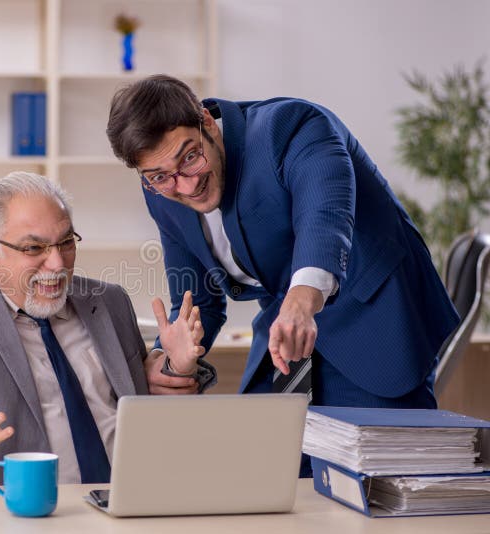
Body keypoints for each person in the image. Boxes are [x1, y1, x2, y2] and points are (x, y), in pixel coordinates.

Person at [106, 75, 459, 438]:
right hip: (285, 341)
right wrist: (168, 357)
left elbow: (324, 218)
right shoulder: (161, 191)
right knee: (270, 467)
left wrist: (302, 300)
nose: (186, 184)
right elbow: (197, 302)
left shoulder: (292, 128)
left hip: (374, 326)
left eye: (191, 157)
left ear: (207, 121)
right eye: (161, 176)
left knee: (370, 481)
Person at [0, 171, 206, 486]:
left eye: (65, 242)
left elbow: (145, 409)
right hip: (17, 515)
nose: (57, 263)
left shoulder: (110, 302)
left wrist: (176, 369)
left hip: (126, 501)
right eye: (34, 248)